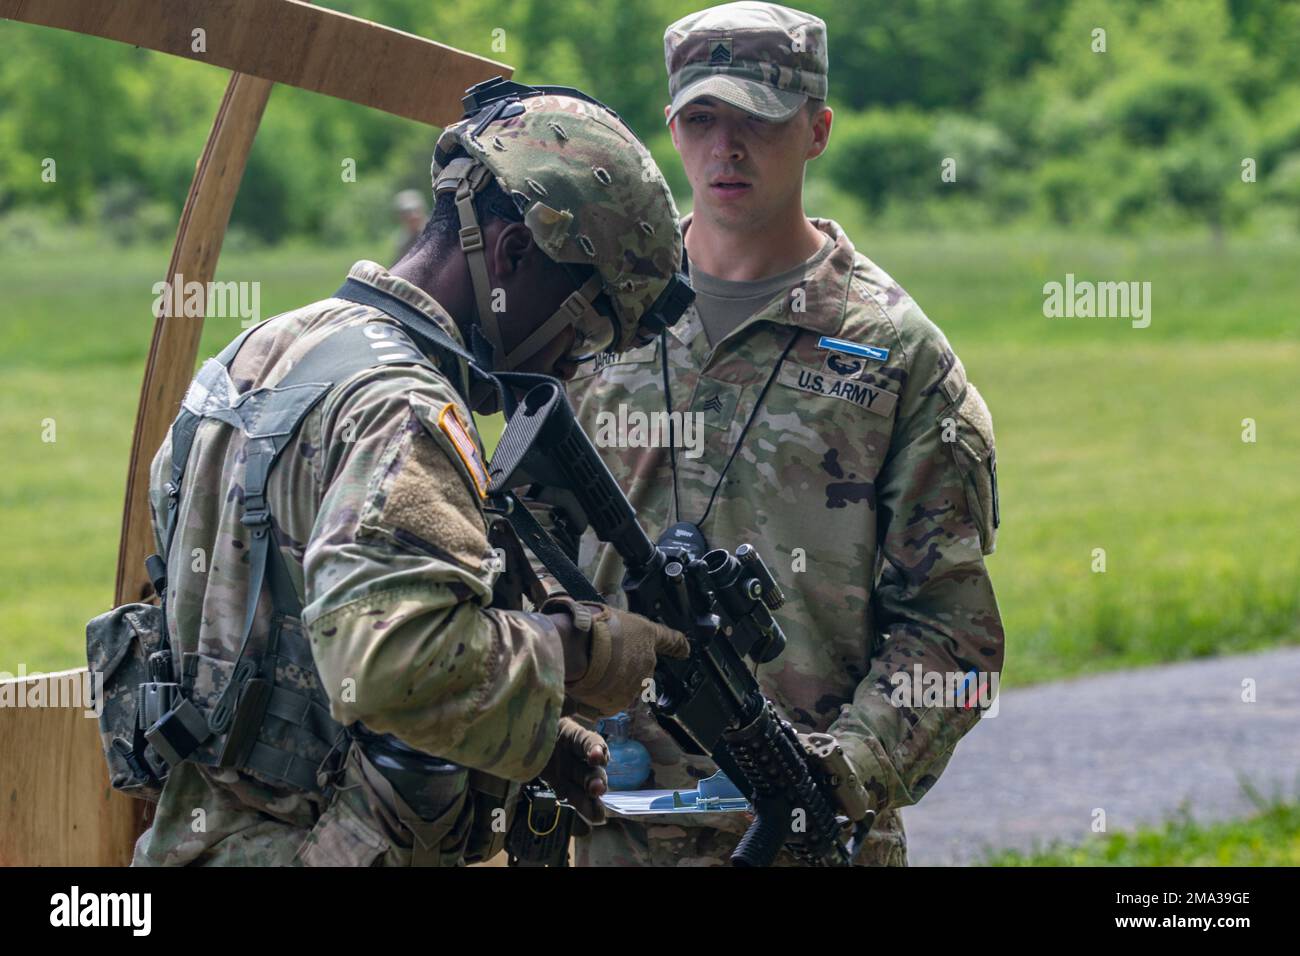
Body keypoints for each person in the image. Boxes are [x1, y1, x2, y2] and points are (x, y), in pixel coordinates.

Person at [129, 83, 690, 866]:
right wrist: (581, 650)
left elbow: (270, 632)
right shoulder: (406, 410)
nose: (572, 364)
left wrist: (519, 727)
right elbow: (395, 663)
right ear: (513, 254)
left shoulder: (262, 350)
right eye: (588, 325)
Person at [563, 2, 1005, 866]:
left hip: (809, 837)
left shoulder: (892, 352)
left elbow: (953, 634)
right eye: (702, 119)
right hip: (598, 829)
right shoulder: (591, 318)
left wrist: (837, 774)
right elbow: (513, 553)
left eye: (758, 120)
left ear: (817, 129)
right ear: (671, 129)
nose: (726, 148)